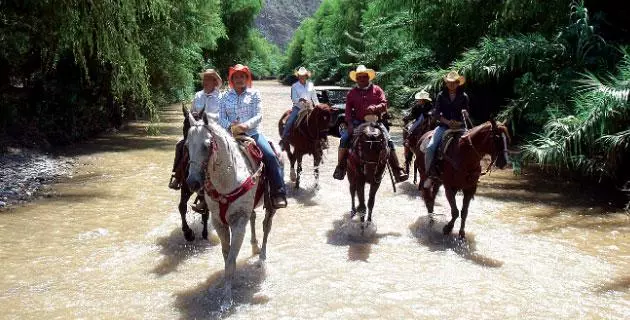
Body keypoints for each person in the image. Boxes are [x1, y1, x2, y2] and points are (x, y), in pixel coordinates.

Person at [219, 64, 287, 209]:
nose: (239, 79)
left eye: (242, 76)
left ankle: (278, 193)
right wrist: (231, 126)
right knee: (208, 155)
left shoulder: (254, 94)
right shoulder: (224, 96)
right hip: (230, 136)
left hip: (252, 134)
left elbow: (258, 115)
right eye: (236, 77)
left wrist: (245, 125)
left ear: (247, 78)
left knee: (271, 156)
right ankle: (205, 196)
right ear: (232, 79)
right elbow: (220, 118)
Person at [332, 65, 408, 182]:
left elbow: (384, 104)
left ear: (368, 78)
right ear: (356, 79)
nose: (362, 79)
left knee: (389, 139)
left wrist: (375, 107)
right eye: (359, 77)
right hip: (358, 122)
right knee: (344, 138)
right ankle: (340, 168)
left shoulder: (377, 90)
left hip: (376, 122)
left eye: (364, 77)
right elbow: (347, 111)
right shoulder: (352, 93)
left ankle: (397, 170)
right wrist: (350, 124)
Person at [169, 69, 222, 190]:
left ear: (215, 82)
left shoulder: (221, 97)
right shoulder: (198, 95)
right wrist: (192, 114)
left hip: (212, 131)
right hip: (197, 130)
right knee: (180, 144)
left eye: (208, 79)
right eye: (204, 79)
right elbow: (192, 112)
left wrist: (207, 117)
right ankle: (177, 175)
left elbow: (222, 116)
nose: (205, 82)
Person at [423, 70, 470, 188]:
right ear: (446, 83)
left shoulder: (464, 96)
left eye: (454, 82)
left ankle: (471, 173)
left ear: (458, 83)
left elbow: (467, 111)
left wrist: (463, 116)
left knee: (471, 146)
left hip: (460, 126)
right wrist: (448, 122)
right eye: (449, 82)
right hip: (444, 126)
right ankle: (429, 174)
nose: (452, 84)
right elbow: (437, 114)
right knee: (430, 148)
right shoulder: (441, 95)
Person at [279, 67, 320, 149]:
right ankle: (284, 139)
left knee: (320, 121)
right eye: (300, 76)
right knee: (290, 121)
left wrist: (318, 106)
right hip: (298, 108)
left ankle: (321, 141)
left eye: (303, 75)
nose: (302, 77)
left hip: (310, 107)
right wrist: (300, 99)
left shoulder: (311, 85)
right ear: (298, 76)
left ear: (306, 76)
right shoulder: (295, 86)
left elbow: (314, 97)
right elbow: (294, 98)